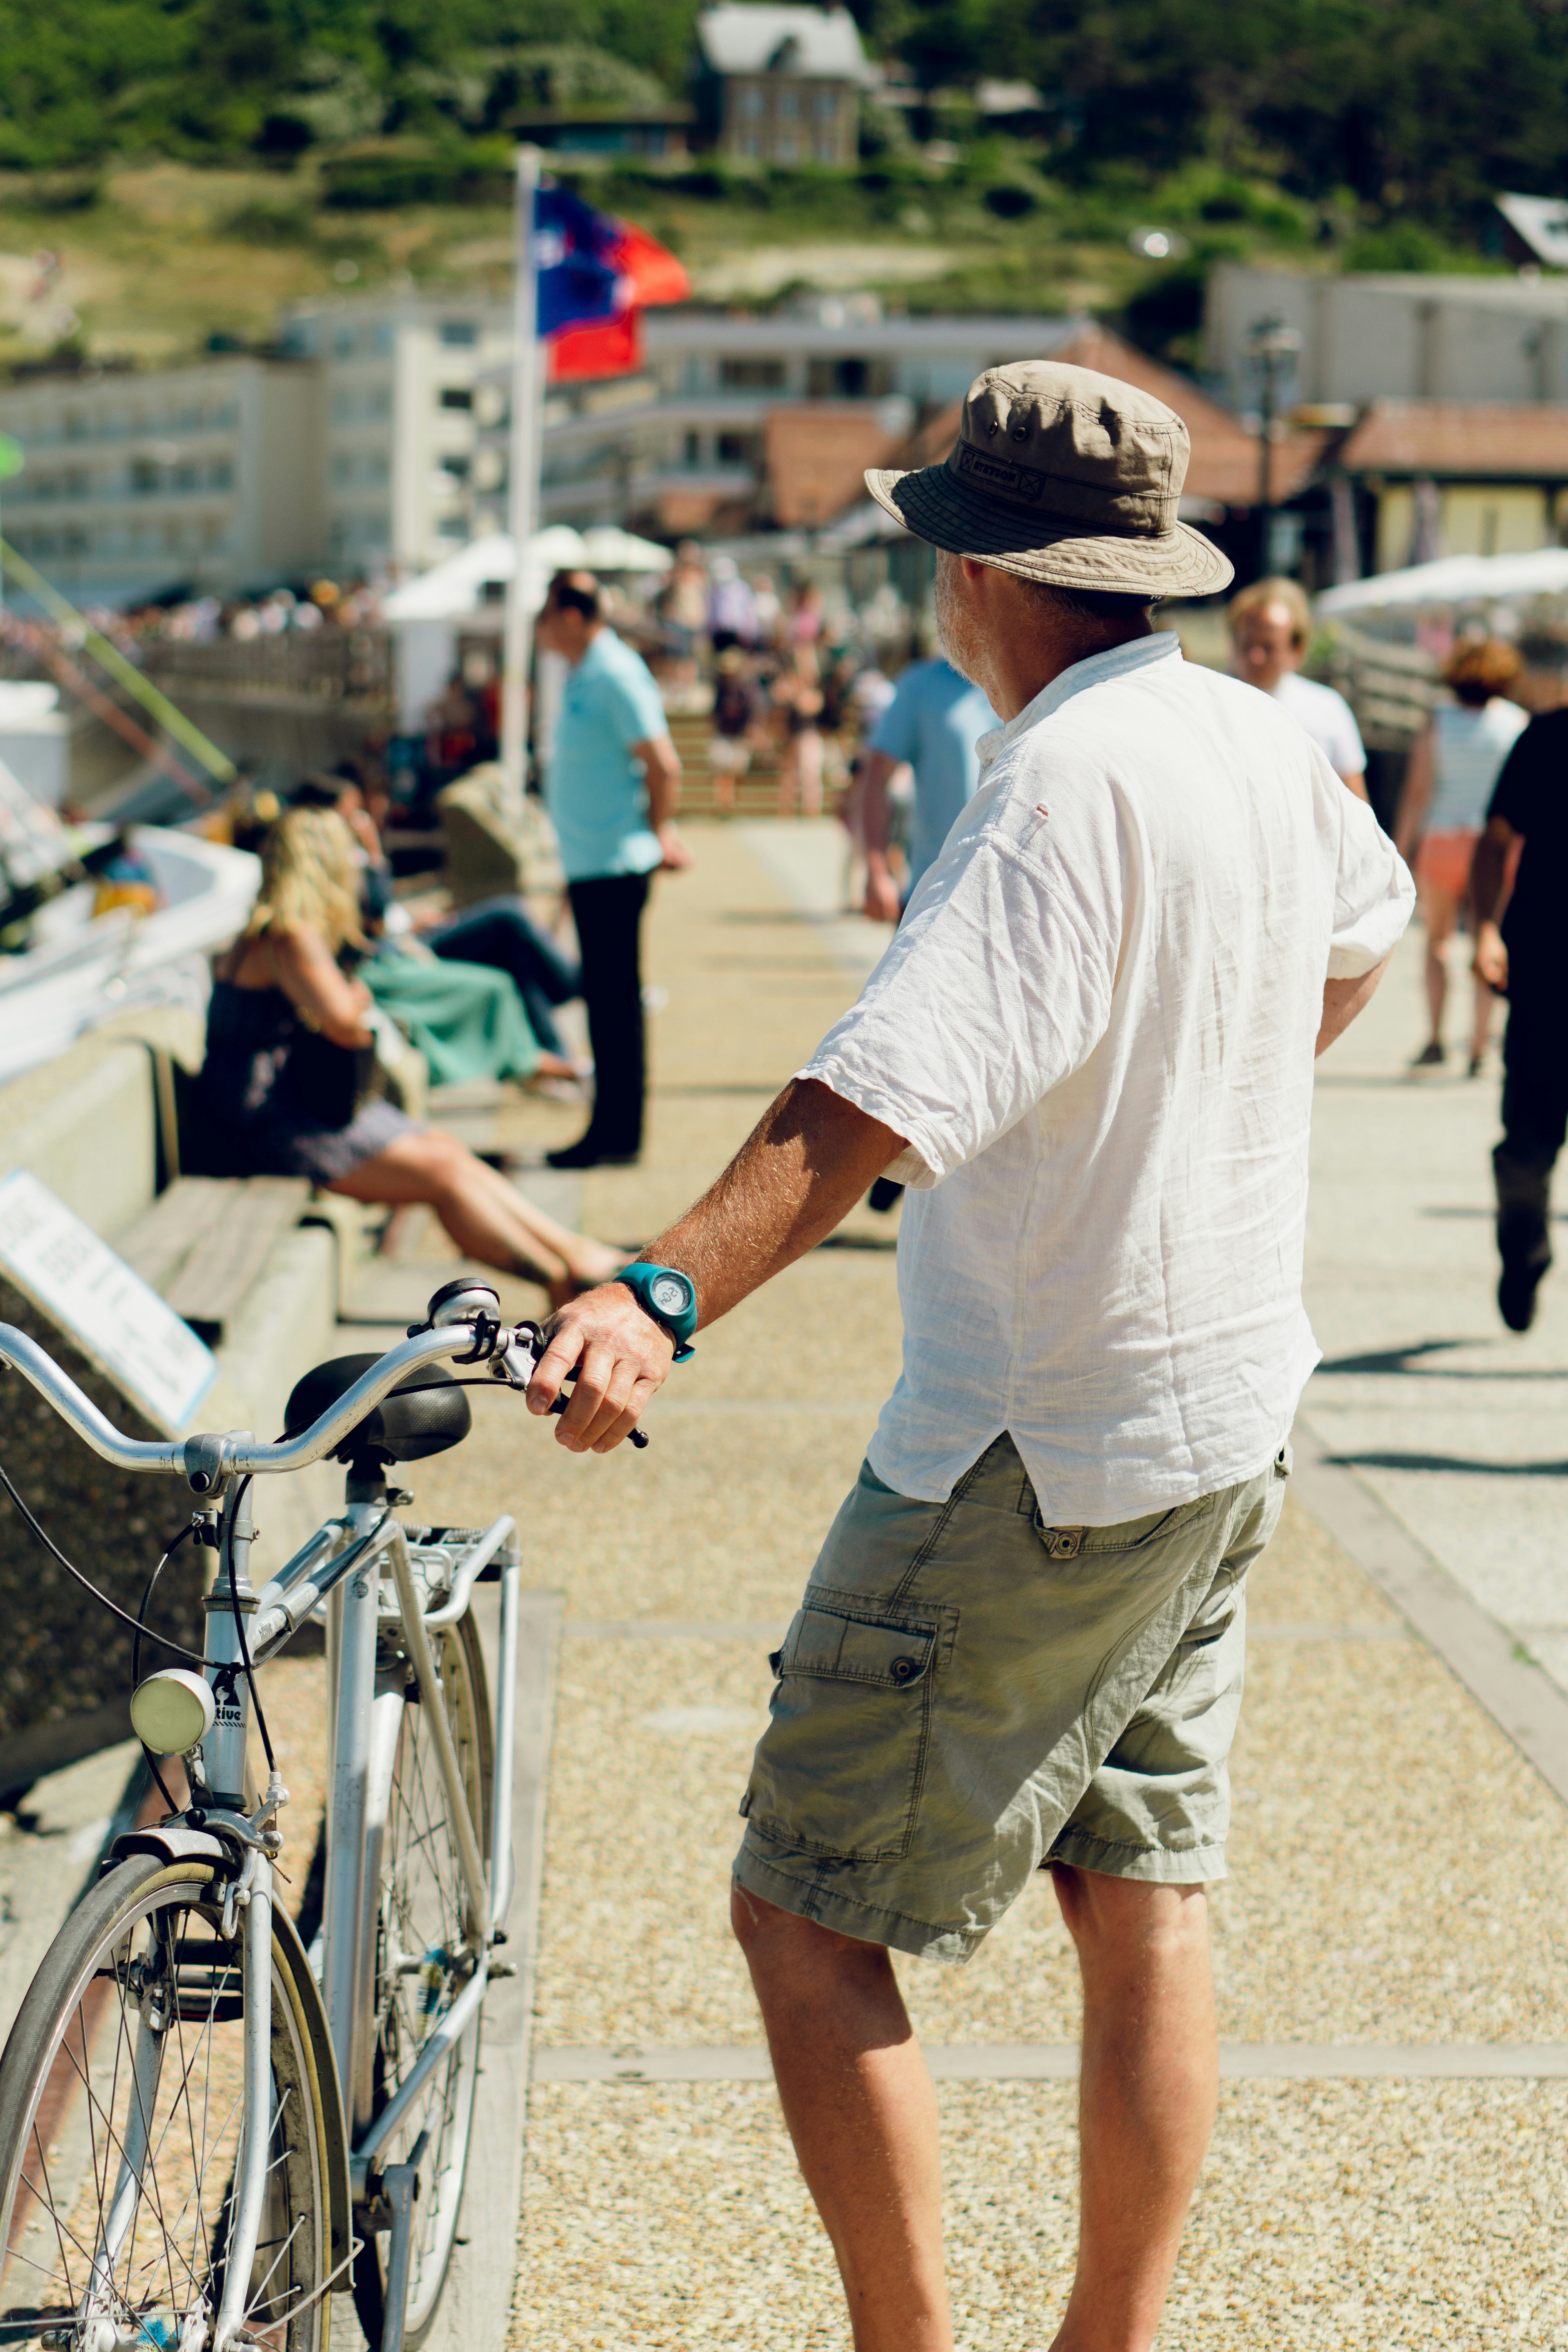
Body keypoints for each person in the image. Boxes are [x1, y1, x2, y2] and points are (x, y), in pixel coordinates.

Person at [523, 361, 1414, 2352]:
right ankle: (1105, 2336)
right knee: (1139, 1898)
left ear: (974, 572)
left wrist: (648, 1301)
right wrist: (1197, 1115)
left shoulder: (1049, 784)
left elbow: (857, 1111)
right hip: (1222, 1414)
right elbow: (1357, 939)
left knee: (804, 1913)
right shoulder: (1257, 740)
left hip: (1040, 1436)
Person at [192, 806, 628, 1306]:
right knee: (443, 1176)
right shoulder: (293, 936)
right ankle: (557, 1276)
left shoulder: (261, 932)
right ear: (323, 864)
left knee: (445, 1148)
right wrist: (352, 999)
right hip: (272, 1125)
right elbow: (346, 1022)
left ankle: (574, 1252)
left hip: (281, 1104)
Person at [535, 570, 688, 1171]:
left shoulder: (614, 672)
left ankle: (616, 1133)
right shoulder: (589, 671)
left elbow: (663, 763)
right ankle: (612, 1129)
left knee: (614, 1004)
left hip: (614, 866)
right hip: (593, 862)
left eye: (545, 615)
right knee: (607, 1002)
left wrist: (660, 832)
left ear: (570, 617)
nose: (541, 629)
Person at [1472, 696, 1568, 1330]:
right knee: (1527, 1149)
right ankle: (1524, 1248)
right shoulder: (1547, 738)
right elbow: (1496, 840)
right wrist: (1484, 927)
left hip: (1540, 970)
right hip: (1545, 974)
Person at [1396, 638, 1526, 1074]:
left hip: (1443, 841)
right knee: (1487, 941)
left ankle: (1434, 1038)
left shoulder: (1438, 722)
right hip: (1492, 846)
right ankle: (1477, 1046)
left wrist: (1400, 848)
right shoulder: (1514, 724)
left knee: (1437, 942)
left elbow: (1418, 793)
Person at [859, 648, 997, 925]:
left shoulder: (1036, 684)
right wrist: (876, 869)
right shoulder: (921, 685)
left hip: (1009, 901)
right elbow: (877, 775)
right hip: (934, 898)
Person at [1229, 575, 1368, 799]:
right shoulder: (1211, 705)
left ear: (1297, 649)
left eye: (1268, 647)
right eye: (1248, 644)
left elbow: (1356, 804)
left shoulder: (1327, 709)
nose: (1256, 657)